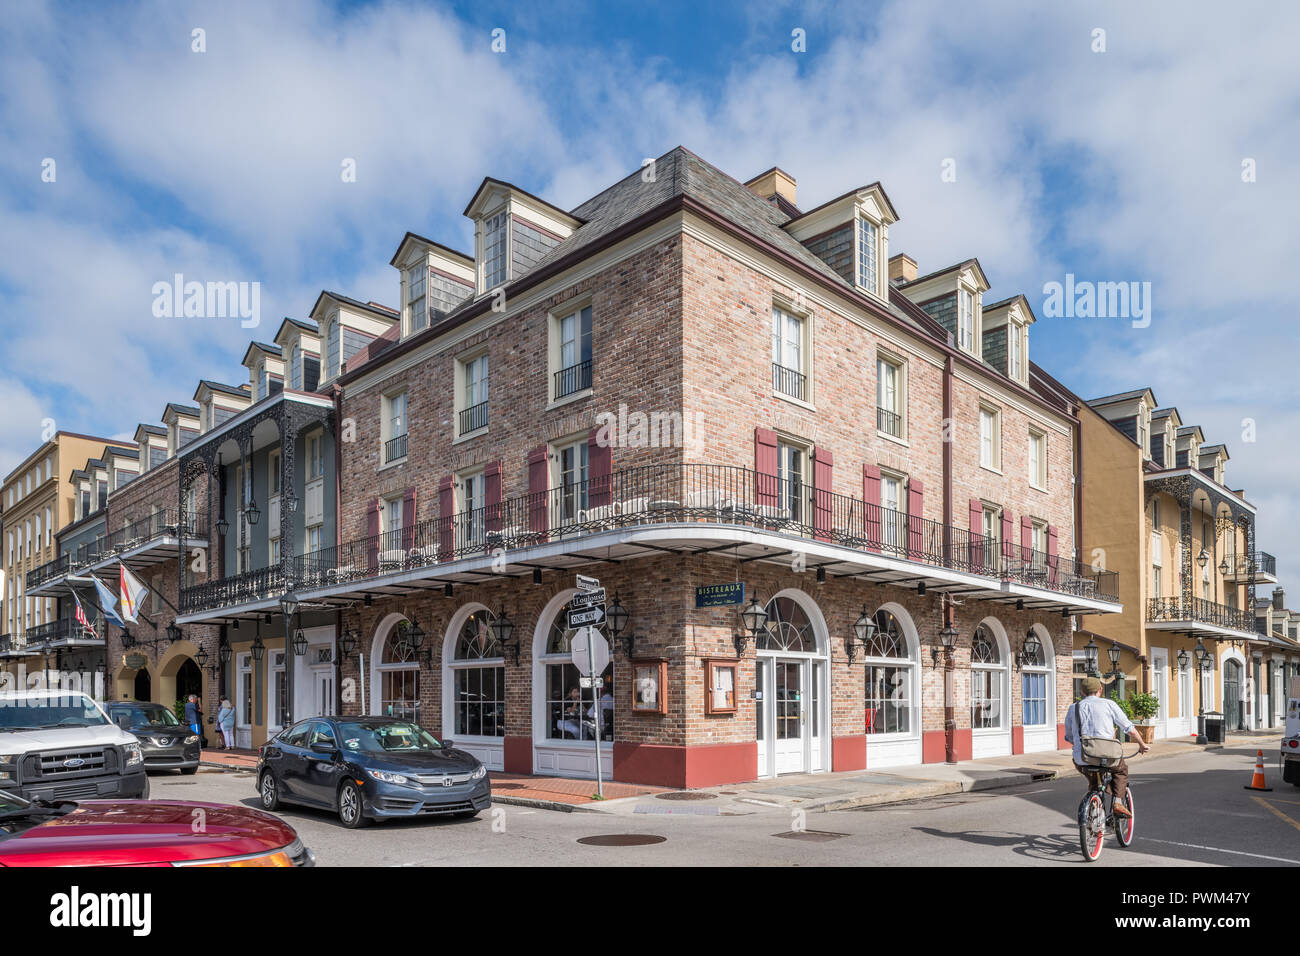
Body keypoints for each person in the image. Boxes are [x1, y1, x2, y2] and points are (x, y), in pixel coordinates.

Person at [1064, 677, 1149, 816]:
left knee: (1092, 775)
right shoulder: (1109, 704)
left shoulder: (1074, 708)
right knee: (1121, 770)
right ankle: (1117, 802)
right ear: (1100, 690)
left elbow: (1069, 736)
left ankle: (1094, 804)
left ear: (1082, 692)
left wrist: (1081, 745)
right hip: (1108, 756)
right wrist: (1142, 744)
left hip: (1083, 758)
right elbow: (1129, 728)